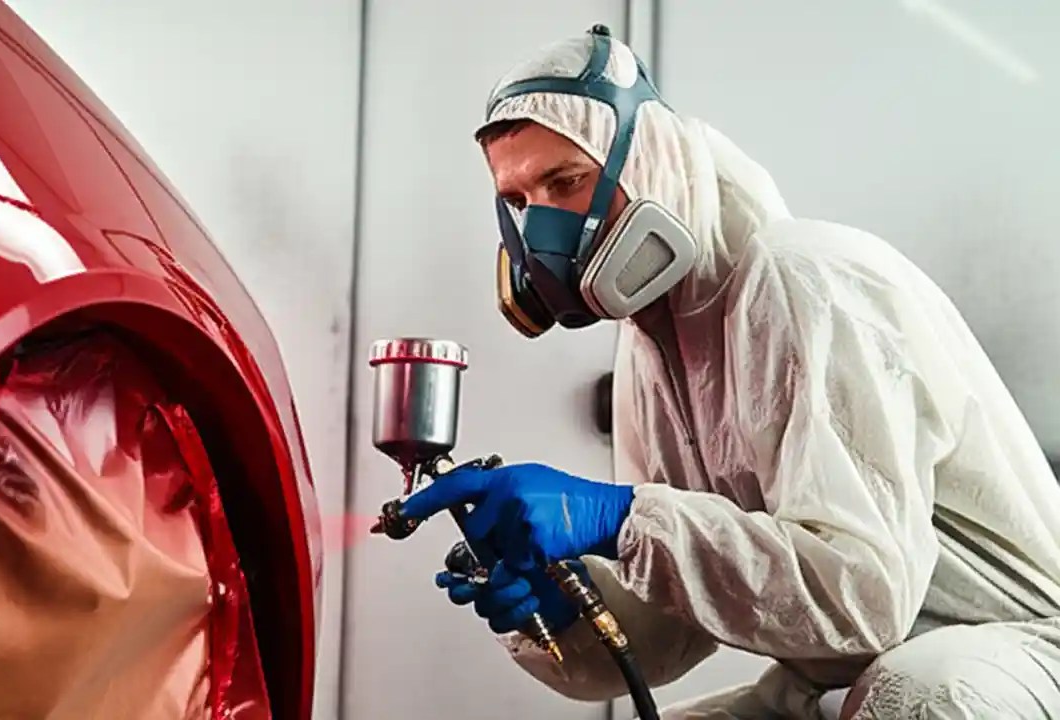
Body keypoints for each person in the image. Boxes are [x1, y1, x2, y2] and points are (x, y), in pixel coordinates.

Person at [399, 24, 1060, 719]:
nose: (541, 231)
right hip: (837, 685)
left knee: (924, 699)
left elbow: (864, 598)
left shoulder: (807, 278)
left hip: (1017, 656)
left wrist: (620, 517)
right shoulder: (653, 340)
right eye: (519, 201)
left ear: (648, 160)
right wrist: (559, 603)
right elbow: (677, 624)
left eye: (566, 182)